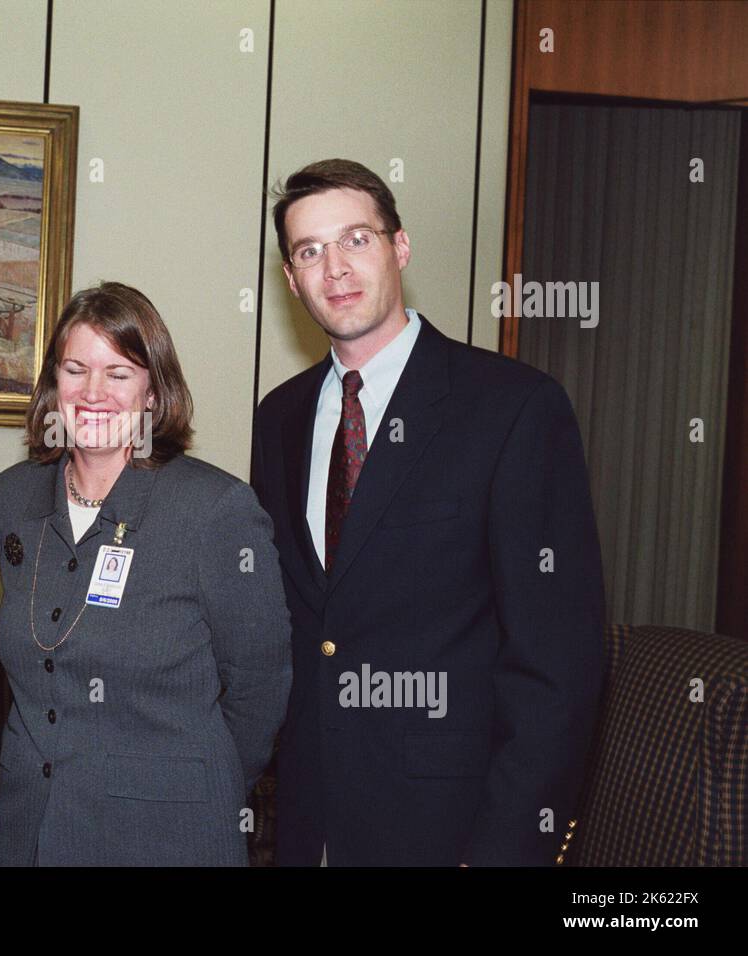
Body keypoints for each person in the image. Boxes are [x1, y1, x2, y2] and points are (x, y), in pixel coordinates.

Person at [252, 159, 605, 866]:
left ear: (399, 248)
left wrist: (511, 845)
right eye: (310, 251)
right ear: (291, 279)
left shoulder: (512, 408)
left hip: (453, 825)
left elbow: (558, 661)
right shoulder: (280, 417)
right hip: (309, 818)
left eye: (357, 239)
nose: (336, 269)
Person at [0, 281, 292, 867]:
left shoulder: (214, 510)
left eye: (119, 373)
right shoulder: (12, 498)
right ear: (53, 384)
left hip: (166, 833)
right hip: (29, 828)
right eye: (75, 369)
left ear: (153, 392)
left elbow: (260, 682)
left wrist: (199, 782)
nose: (93, 392)